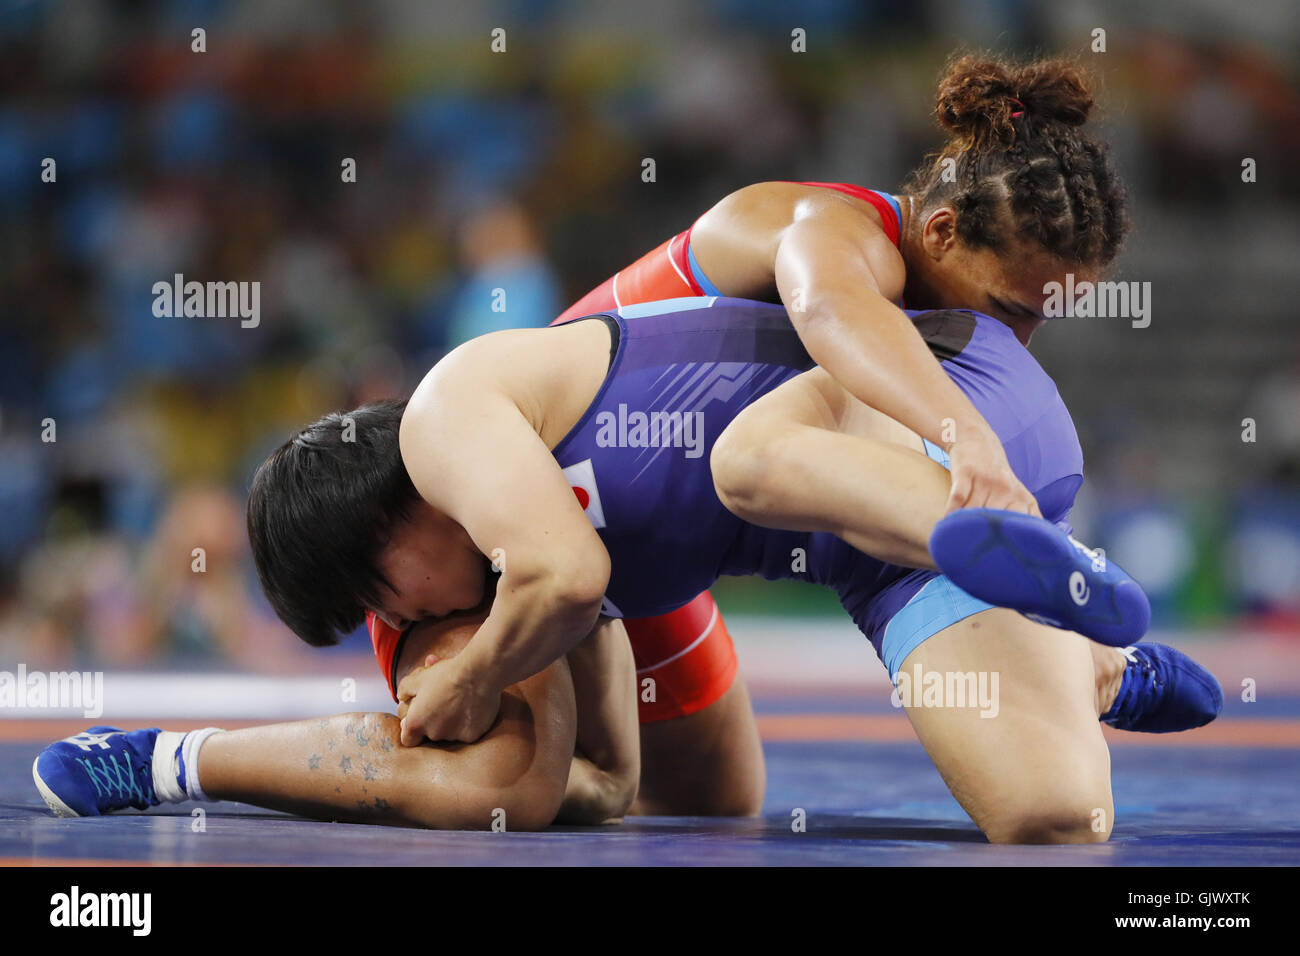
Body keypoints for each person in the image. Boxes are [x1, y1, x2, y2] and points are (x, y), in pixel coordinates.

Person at [243, 294, 1220, 843]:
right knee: (1052, 816)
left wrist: (470, 675)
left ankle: (1016, 557)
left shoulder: (447, 417)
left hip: (919, 401)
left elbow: (572, 573)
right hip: (883, 555)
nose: (408, 614)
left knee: (746, 460)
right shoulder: (525, 582)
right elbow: (608, 782)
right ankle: (1095, 667)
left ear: (380, 511)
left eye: (380, 591)